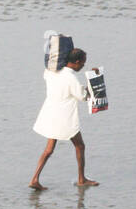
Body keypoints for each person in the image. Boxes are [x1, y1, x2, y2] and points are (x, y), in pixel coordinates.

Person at [29, 47, 99, 190]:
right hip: (64, 118)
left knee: (49, 149)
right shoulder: (71, 78)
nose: (83, 66)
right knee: (80, 146)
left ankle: (34, 179)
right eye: (83, 64)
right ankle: (81, 179)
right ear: (77, 62)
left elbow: (48, 73)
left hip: (50, 114)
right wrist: (94, 80)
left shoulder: (51, 72)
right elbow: (83, 97)